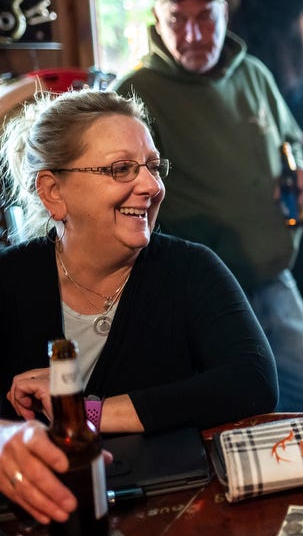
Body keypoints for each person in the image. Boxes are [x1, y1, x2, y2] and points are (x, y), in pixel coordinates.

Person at [0, 90, 277, 525]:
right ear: (54, 192)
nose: (152, 186)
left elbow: (252, 381)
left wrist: (84, 411)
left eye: (152, 166)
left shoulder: (191, 269)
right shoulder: (9, 280)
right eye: (121, 169)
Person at [109, 0, 303, 411]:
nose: (193, 34)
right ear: (156, 21)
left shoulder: (254, 74)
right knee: (232, 419)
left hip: (274, 278)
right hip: (200, 297)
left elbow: (291, 144)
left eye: (206, 17)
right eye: (177, 19)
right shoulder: (133, 94)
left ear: (225, 14)